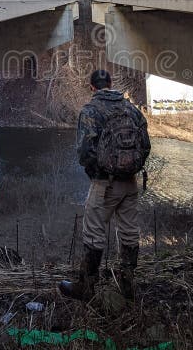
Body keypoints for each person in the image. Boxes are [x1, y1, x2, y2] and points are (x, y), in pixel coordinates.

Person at [59, 69, 151, 302]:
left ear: (92, 87)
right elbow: (146, 145)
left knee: (93, 234)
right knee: (130, 232)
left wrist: (97, 174)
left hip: (104, 184)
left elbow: (84, 152)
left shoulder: (91, 111)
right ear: (111, 84)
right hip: (130, 183)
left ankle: (86, 287)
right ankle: (127, 284)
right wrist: (130, 168)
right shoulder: (131, 109)